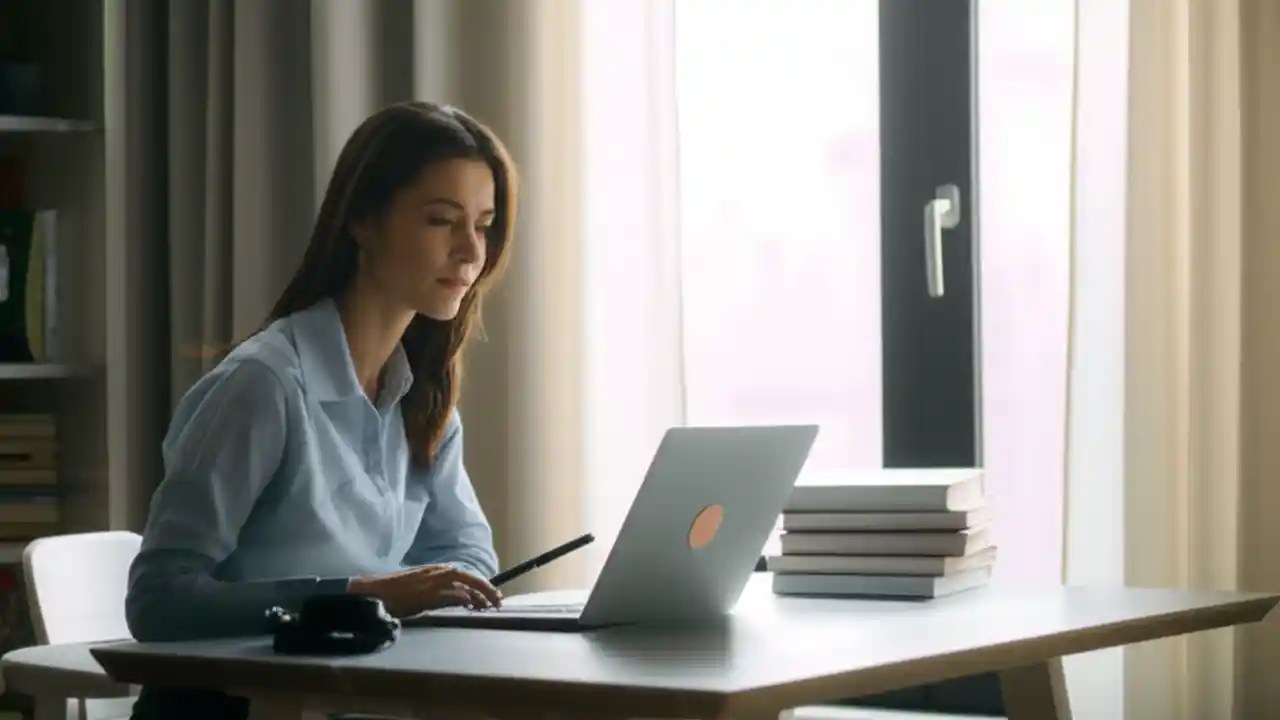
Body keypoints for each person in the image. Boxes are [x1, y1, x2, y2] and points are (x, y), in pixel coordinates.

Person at [125, 101, 516, 719]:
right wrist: (359, 595)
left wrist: (425, 590)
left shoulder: (422, 395)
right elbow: (159, 601)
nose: (472, 252)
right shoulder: (264, 385)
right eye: (442, 220)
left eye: (485, 224)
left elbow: (468, 559)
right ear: (362, 220)